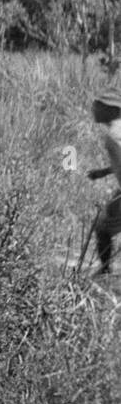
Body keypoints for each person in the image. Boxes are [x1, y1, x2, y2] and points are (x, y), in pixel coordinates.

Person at [87, 90, 121, 274]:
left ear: (113, 109)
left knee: (102, 226)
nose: (94, 108)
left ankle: (105, 271)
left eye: (100, 105)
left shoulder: (114, 134)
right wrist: (103, 172)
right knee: (102, 226)